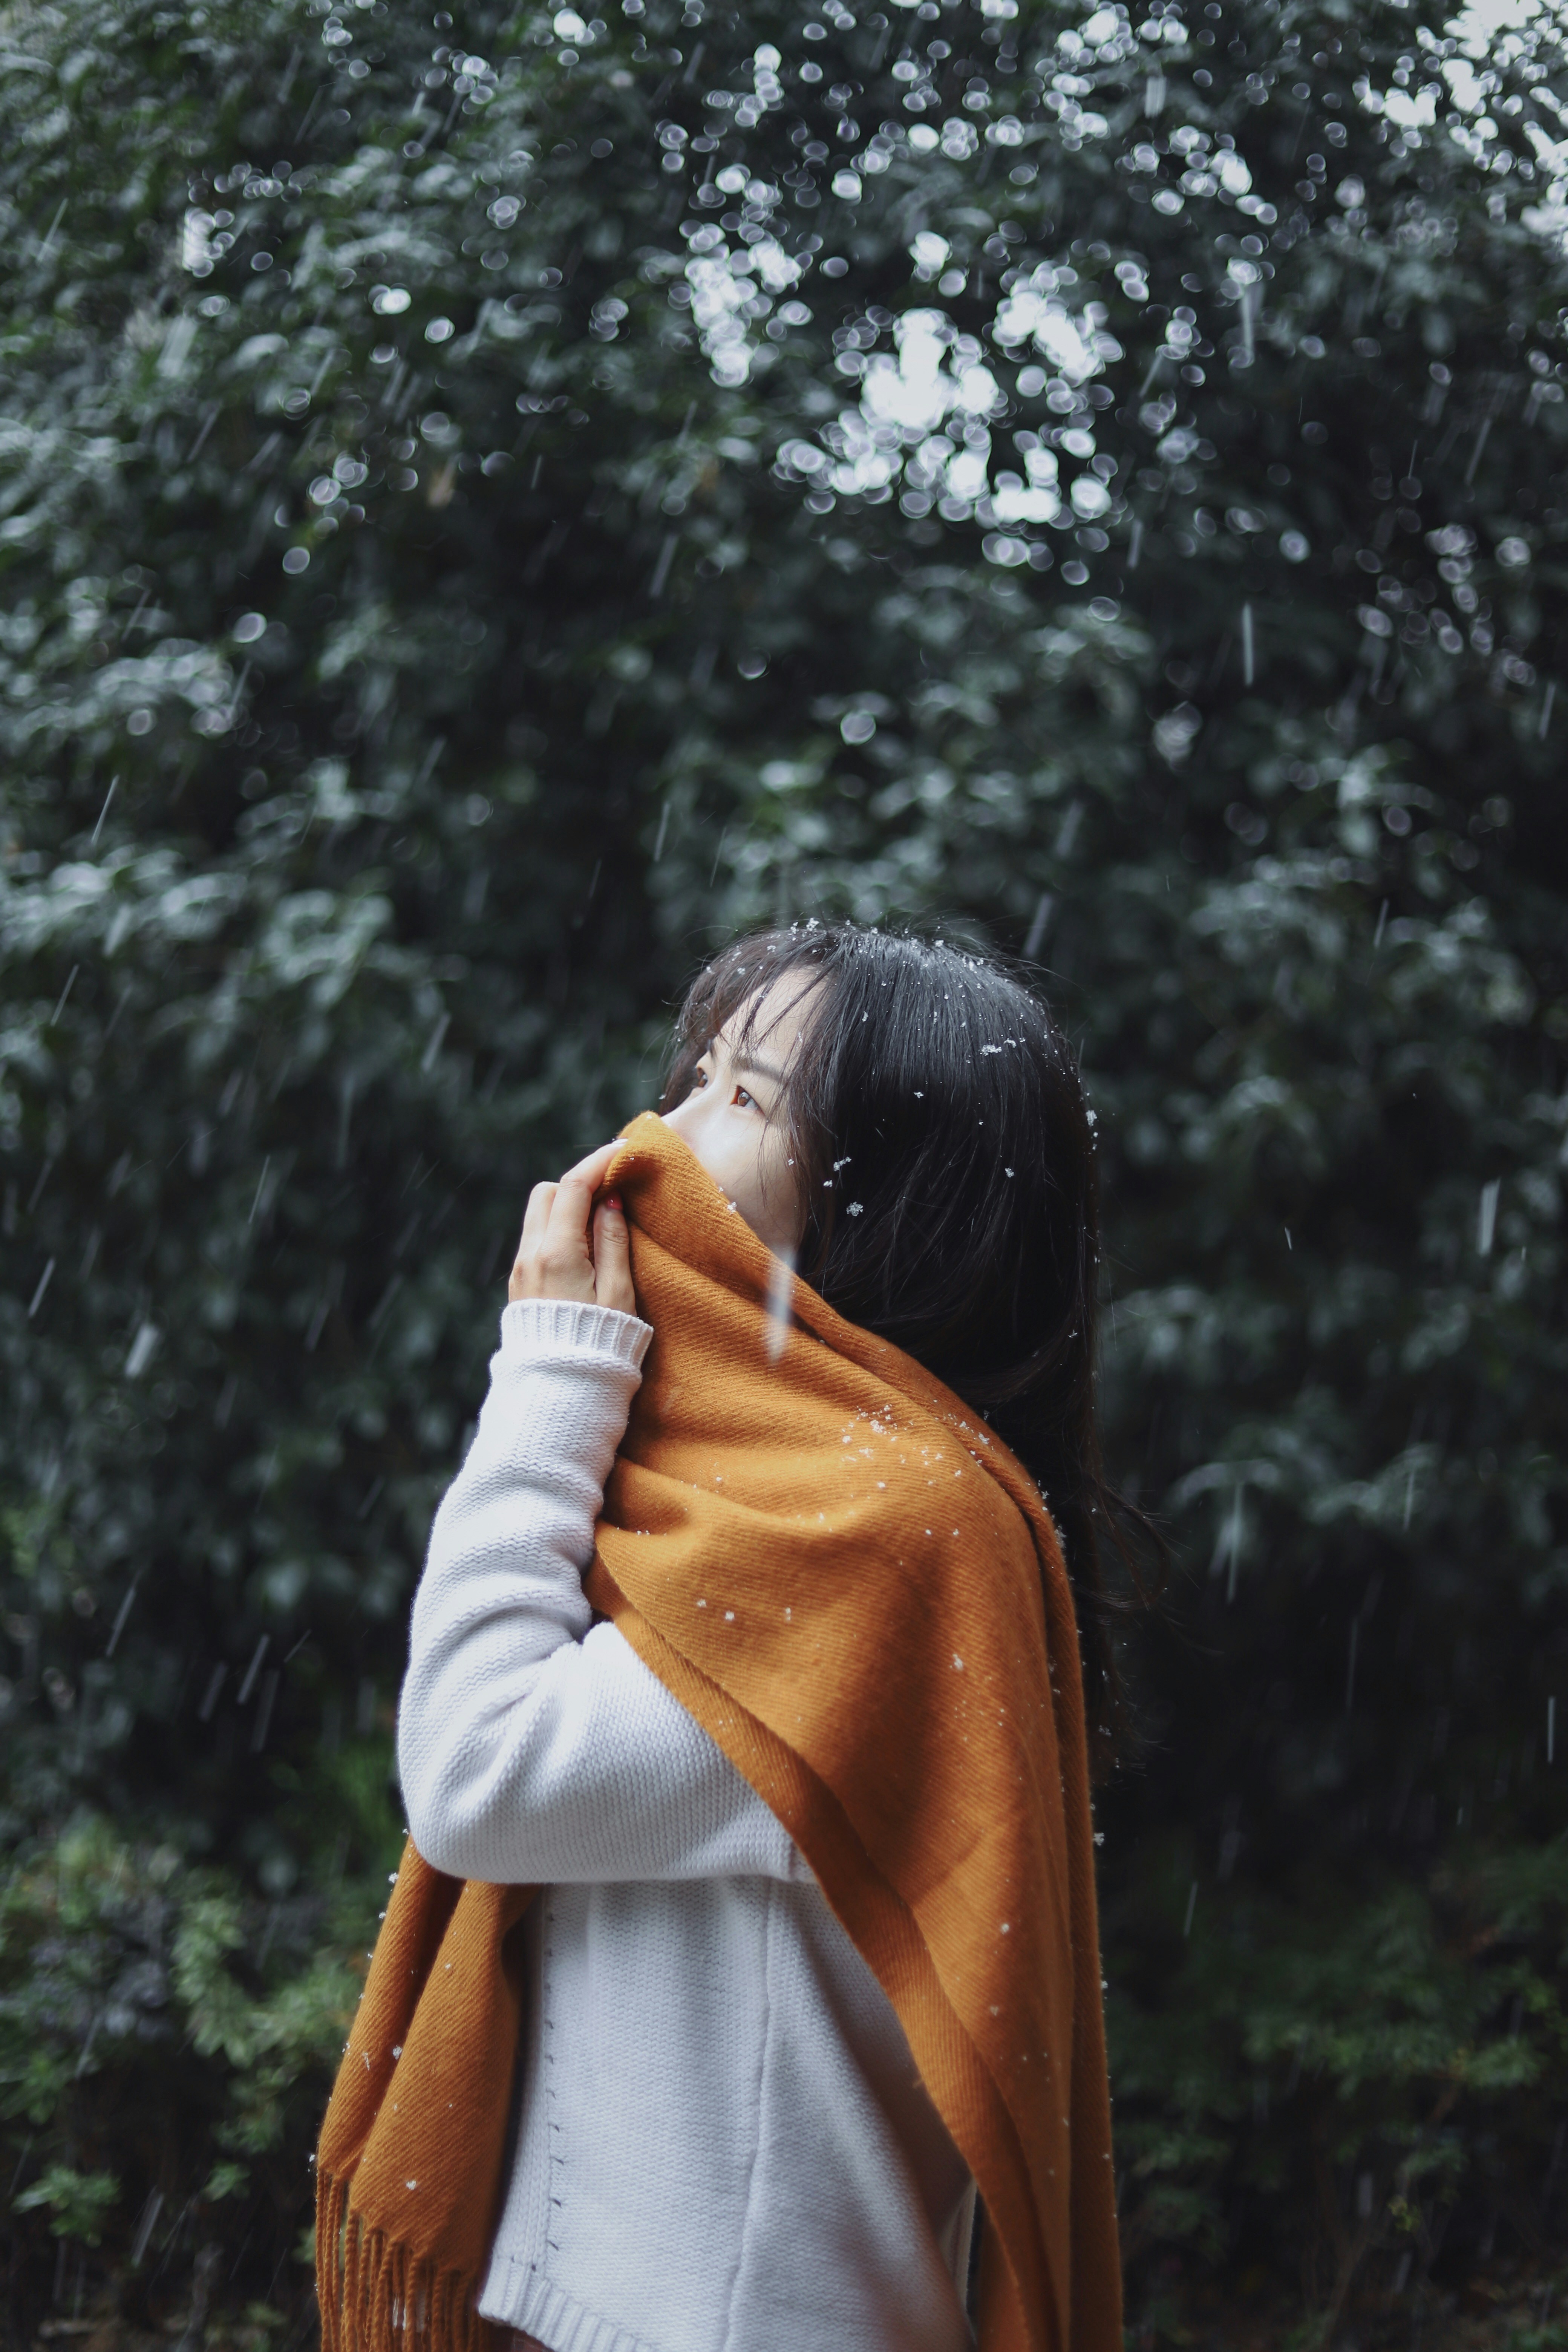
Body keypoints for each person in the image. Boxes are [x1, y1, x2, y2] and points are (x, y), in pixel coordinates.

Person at [326, 923, 1139, 2352]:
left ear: (888, 1200)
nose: (660, 1137)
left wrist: (553, 1374)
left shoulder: (885, 1528)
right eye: (697, 1075)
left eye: (749, 1101)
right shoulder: (784, 1491)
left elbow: (476, 1777)